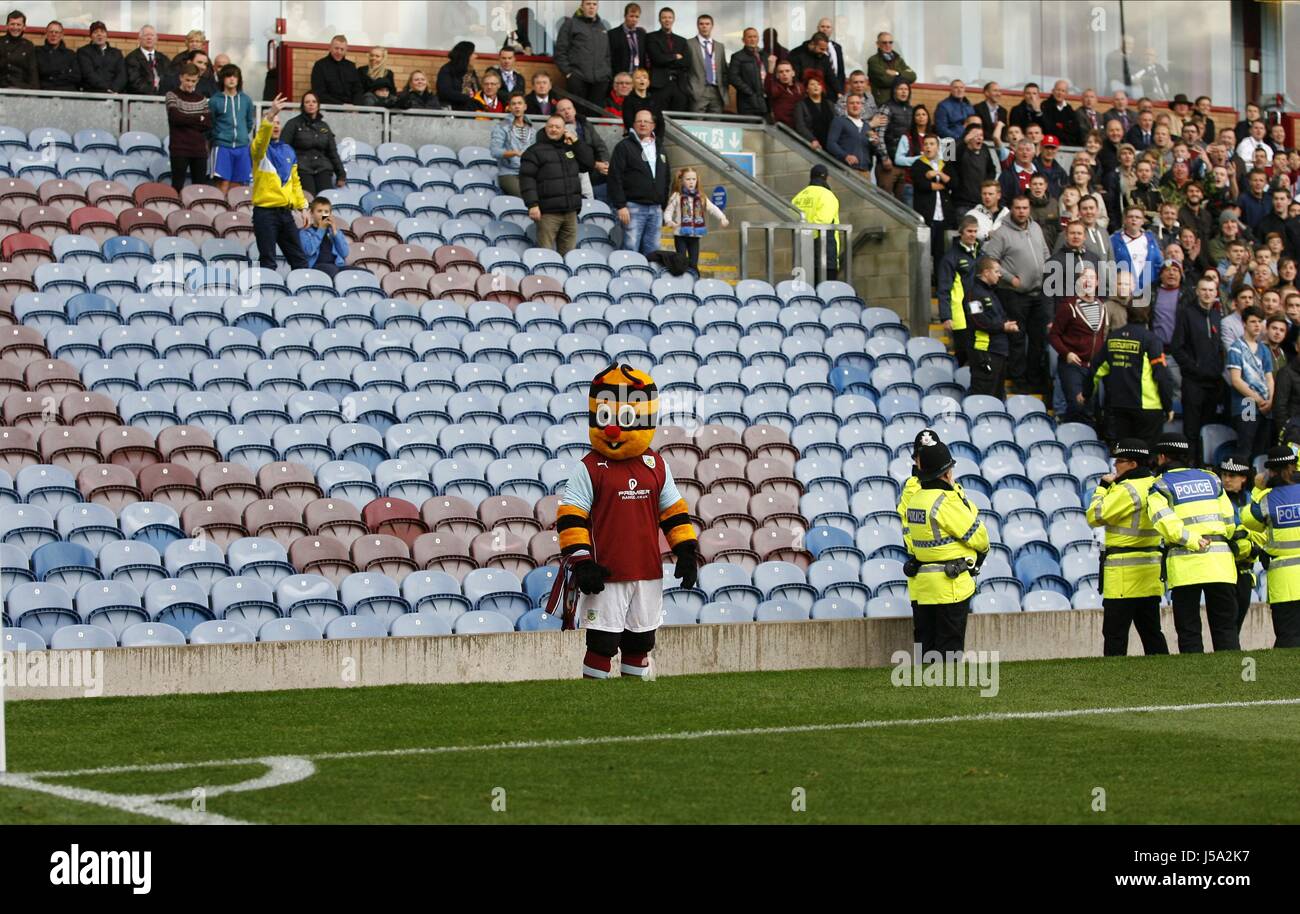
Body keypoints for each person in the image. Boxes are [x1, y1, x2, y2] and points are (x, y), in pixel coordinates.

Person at [558, 365, 699, 679]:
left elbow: (674, 512)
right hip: (606, 573)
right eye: (606, 419)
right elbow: (571, 516)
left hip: (647, 571)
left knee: (641, 641)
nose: (612, 430)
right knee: (602, 642)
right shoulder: (589, 467)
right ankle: (591, 708)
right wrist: (582, 562)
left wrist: (687, 551)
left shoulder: (656, 464)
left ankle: (634, 704)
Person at [1147, 433, 1243, 653]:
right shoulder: (1212, 478)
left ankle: (1195, 679)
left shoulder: (1160, 485)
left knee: (1189, 628)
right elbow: (1229, 521)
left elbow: (1166, 524)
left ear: (1162, 457)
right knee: (1225, 627)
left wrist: (1193, 541)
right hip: (1220, 563)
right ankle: (1232, 677)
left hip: (1185, 565)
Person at [899, 436, 988, 655]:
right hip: (951, 588)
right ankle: (945, 688)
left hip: (923, 586)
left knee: (926, 650)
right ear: (947, 473)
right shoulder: (945, 501)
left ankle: (924, 688)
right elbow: (980, 537)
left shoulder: (915, 500)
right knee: (949, 651)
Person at [1086, 439, 1170, 656]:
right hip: (1150, 572)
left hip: (1123, 575)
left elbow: (1094, 516)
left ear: (1132, 464)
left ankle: (1113, 681)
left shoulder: (1126, 490)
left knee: (1115, 634)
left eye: (1119, 461)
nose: (1115, 466)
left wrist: (1102, 488)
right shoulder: (1156, 483)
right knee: (1152, 632)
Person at [983, 195, 1050, 394]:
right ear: (1011, 209)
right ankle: (1019, 381)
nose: (1022, 211)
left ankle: (1034, 378)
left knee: (1038, 340)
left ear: (1029, 209)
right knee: (1018, 340)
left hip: (1038, 294)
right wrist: (1011, 278)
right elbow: (990, 261)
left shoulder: (1036, 227)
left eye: (1025, 208)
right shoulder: (1001, 233)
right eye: (1018, 208)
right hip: (1014, 293)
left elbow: (1045, 252)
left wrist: (1047, 272)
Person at [1086, 296, 1174, 446]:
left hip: (1119, 405)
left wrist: (1086, 392)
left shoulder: (1113, 338)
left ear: (1127, 311)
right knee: (1146, 457)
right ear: (1148, 313)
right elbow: (1161, 375)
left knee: (1125, 454)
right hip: (1147, 407)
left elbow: (1096, 367)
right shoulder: (1151, 340)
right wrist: (1168, 406)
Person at [1241, 448, 1300, 647]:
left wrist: (1258, 489)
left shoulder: (1267, 500)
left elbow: (1247, 519)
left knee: (1288, 640)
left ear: (1271, 472)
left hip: (1285, 585)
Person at [521, 114, 594, 256]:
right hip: (548, 213)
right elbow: (526, 179)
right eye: (550, 126)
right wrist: (532, 204)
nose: (553, 129)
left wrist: (577, 142)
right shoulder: (533, 151)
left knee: (569, 256)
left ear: (564, 130)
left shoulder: (571, 148)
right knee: (545, 255)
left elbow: (588, 165)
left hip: (570, 211)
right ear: (545, 128)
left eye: (557, 127)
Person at [250, 95, 308, 272]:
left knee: (300, 261)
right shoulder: (258, 150)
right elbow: (261, 140)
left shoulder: (288, 150)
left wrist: (302, 206)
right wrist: (270, 114)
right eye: (272, 122)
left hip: (285, 214)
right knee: (268, 262)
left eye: (278, 122)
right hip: (265, 213)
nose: (275, 125)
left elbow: (295, 182)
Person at [1050, 262, 1109, 423]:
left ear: (1097, 283)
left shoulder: (1102, 306)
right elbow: (1054, 335)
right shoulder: (1069, 306)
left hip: (1093, 367)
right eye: (1084, 277)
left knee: (1092, 408)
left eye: (1092, 278)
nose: (1088, 281)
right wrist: (1066, 353)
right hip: (1073, 365)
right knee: (1077, 405)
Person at [609, 109, 669, 258]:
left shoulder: (660, 148)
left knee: (654, 252)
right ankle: (628, 281)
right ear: (634, 124)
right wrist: (621, 205)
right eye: (639, 121)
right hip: (633, 207)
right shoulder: (623, 147)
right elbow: (614, 176)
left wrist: (663, 205)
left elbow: (666, 177)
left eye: (646, 121)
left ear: (653, 125)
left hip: (655, 209)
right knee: (630, 251)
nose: (642, 124)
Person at [1218, 454, 1261, 635]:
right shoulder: (1216, 500)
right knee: (1226, 625)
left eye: (1232, 476)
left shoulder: (1254, 502)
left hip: (1244, 570)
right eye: (1224, 475)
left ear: (1244, 478)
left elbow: (1263, 533)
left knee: (1237, 625)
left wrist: (1246, 534)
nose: (1226, 480)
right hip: (1223, 568)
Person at [1227, 306, 1275, 458]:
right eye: (1253, 321)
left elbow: (1269, 378)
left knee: (1261, 450)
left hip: (1266, 408)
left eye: (1260, 321)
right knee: (1246, 447)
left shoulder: (1265, 349)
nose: (1257, 325)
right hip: (1246, 405)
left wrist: (1271, 400)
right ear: (1244, 324)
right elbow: (1236, 380)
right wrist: (1259, 400)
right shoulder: (1236, 348)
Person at [966, 257, 1016, 398]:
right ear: (986, 272)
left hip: (999, 351)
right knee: (983, 394)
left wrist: (1008, 324)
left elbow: (1000, 316)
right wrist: (1003, 326)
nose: (1000, 275)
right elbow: (978, 320)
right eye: (997, 271)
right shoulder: (974, 293)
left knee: (998, 395)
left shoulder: (991, 293)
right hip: (985, 352)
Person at [280, 91, 347, 196]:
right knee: (308, 200)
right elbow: (283, 149)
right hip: (302, 169)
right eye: (307, 102)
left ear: (318, 105)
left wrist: (341, 174)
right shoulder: (293, 124)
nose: (311, 104)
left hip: (323, 168)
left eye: (314, 102)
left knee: (325, 200)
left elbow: (332, 152)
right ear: (303, 105)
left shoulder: (324, 126)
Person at [664, 166, 727, 273]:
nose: (691, 182)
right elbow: (668, 211)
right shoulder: (677, 196)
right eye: (688, 179)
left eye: (693, 179)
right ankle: (681, 282)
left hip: (695, 235)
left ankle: (692, 281)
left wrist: (722, 217)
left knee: (693, 263)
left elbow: (712, 208)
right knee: (681, 261)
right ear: (682, 180)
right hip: (680, 234)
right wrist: (669, 221)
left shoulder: (701, 196)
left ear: (697, 181)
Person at [937, 216, 981, 365]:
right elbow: (943, 288)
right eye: (969, 231)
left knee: (977, 353)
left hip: (977, 311)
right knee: (963, 354)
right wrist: (945, 316)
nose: (973, 234)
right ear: (961, 232)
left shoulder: (980, 254)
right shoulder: (951, 258)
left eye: (975, 231)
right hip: (959, 314)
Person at [208, 63, 256, 193]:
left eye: (235, 76)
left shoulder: (246, 100)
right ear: (222, 79)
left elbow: (249, 123)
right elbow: (210, 124)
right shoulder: (215, 100)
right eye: (228, 76)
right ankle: (221, 210)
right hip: (222, 146)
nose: (232, 79)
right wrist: (218, 136)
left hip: (242, 146)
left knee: (240, 184)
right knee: (223, 183)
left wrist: (242, 135)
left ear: (239, 79)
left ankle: (238, 212)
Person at [556, 0, 612, 109]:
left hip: (600, 81)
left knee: (596, 117)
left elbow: (607, 54)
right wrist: (569, 73)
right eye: (588, 4)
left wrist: (607, 74)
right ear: (582, 6)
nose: (591, 7)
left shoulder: (602, 27)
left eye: (594, 4)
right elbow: (560, 51)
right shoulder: (570, 24)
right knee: (578, 115)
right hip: (578, 79)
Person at [791, 164, 841, 283]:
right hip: (824, 251)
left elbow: (790, 217)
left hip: (802, 250)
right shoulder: (827, 195)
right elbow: (823, 222)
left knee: (805, 292)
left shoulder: (799, 196)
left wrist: (805, 239)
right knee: (826, 292)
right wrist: (811, 238)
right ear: (826, 178)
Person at [165, 64, 211, 192]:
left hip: (199, 149)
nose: (190, 84)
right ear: (181, 78)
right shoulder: (172, 95)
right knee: (177, 186)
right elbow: (175, 117)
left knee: (199, 188)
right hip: (179, 148)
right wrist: (197, 118)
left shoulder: (201, 99)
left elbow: (207, 123)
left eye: (193, 81)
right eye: (187, 80)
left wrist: (186, 118)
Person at [910, 134, 950, 282]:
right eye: (925, 144)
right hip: (927, 214)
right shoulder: (918, 164)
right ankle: (924, 283)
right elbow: (921, 184)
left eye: (932, 144)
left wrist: (938, 175)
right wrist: (939, 184)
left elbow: (953, 183)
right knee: (925, 252)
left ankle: (939, 283)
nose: (928, 147)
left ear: (938, 147)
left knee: (942, 253)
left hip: (943, 215)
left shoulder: (944, 164)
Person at [556, 97, 609, 200]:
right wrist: (595, 165)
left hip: (594, 170)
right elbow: (568, 154)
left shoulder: (585, 124)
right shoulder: (558, 129)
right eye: (563, 110)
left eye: (569, 108)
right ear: (557, 113)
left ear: (574, 110)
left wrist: (605, 163)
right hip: (574, 170)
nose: (567, 112)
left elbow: (600, 145)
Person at [1111, 204, 1165, 297]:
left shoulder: (1151, 240)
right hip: (1123, 293)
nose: (1134, 219)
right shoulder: (1114, 240)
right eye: (1130, 216)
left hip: (1148, 292)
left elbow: (1158, 264)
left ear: (1143, 221)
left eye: (1137, 217)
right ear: (1125, 220)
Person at [491, 93, 536, 197]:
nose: (517, 106)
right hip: (508, 173)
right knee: (527, 197)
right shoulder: (501, 127)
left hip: (528, 172)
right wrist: (514, 153)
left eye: (519, 103)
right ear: (509, 107)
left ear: (525, 106)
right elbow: (495, 151)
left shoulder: (532, 129)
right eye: (513, 104)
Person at [646, 6, 690, 111]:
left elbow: (686, 62)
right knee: (659, 119)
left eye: (669, 17)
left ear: (673, 19)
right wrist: (675, 56)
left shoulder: (682, 41)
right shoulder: (651, 37)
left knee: (679, 120)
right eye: (664, 17)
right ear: (659, 20)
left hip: (679, 86)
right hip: (659, 86)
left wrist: (666, 59)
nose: (667, 20)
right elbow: (657, 59)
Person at [950, 125, 997, 218]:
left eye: (981, 135)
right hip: (962, 204)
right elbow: (948, 160)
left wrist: (987, 184)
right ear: (967, 136)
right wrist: (963, 142)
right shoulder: (956, 147)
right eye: (975, 135)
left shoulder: (984, 148)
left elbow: (992, 170)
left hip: (982, 204)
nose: (979, 137)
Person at [684, 13, 726, 114]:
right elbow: (684, 69)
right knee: (696, 125)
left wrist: (724, 90)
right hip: (697, 91)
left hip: (717, 91)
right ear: (697, 26)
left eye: (707, 24)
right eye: (701, 24)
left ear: (712, 26)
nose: (704, 26)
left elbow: (724, 70)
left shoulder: (720, 46)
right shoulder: (689, 44)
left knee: (715, 125)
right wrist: (690, 90)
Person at [299, 196, 349, 278]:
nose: (323, 214)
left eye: (326, 212)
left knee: (365, 273)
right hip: (316, 266)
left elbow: (344, 253)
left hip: (337, 265)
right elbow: (309, 251)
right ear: (311, 213)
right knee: (334, 271)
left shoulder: (333, 231)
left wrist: (335, 232)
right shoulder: (304, 232)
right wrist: (321, 229)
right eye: (319, 211)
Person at [826, 94, 876, 174]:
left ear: (862, 106)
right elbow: (831, 144)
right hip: (846, 169)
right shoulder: (839, 121)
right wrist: (845, 156)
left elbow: (871, 150)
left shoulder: (867, 126)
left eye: (858, 103)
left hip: (865, 171)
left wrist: (875, 144)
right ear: (846, 107)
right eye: (852, 103)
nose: (855, 105)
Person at [865, 31, 914, 106]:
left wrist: (897, 73)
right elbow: (885, 80)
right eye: (884, 42)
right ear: (878, 44)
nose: (888, 45)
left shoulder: (899, 59)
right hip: (883, 104)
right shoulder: (873, 61)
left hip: (901, 104)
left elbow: (912, 76)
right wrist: (902, 77)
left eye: (890, 42)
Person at [76, 20, 125, 93]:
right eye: (95, 32)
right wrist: (107, 89)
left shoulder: (116, 53)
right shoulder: (83, 52)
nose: (99, 34)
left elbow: (122, 74)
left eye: (102, 31)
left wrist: (115, 89)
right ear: (91, 36)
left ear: (106, 35)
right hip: (92, 94)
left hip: (114, 95)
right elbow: (88, 74)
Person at [311, 35, 362, 105]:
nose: (339, 52)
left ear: (346, 50)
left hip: (351, 108)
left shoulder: (351, 66)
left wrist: (355, 106)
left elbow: (358, 90)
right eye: (336, 48)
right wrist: (341, 105)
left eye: (342, 49)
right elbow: (319, 92)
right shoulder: (320, 65)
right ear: (330, 48)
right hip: (329, 107)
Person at [729, 27, 768, 118]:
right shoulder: (738, 56)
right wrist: (750, 92)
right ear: (743, 40)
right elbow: (733, 77)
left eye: (755, 37)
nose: (752, 39)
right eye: (749, 37)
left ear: (758, 38)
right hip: (747, 101)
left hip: (765, 100)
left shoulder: (764, 55)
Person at [793, 73, 834, 151]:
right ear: (807, 89)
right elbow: (800, 126)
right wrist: (812, 139)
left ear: (822, 88)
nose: (816, 86)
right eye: (812, 84)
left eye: (818, 84)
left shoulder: (830, 104)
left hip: (831, 143)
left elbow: (836, 123)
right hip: (813, 144)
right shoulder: (801, 105)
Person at [125, 25, 169, 96]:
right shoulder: (132, 58)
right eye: (146, 35)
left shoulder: (164, 59)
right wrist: (154, 92)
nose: (149, 38)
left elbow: (169, 79)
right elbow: (135, 82)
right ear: (139, 39)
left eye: (152, 35)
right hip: (140, 100)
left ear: (156, 39)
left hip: (162, 99)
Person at [788, 31, 834, 99]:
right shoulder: (796, 54)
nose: (824, 52)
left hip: (820, 96)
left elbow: (831, 76)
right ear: (812, 44)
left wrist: (838, 91)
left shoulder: (824, 57)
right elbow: (795, 78)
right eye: (821, 49)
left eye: (825, 49)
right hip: (801, 95)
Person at [35, 19, 77, 91]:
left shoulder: (70, 54)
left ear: (62, 35)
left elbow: (75, 77)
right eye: (51, 32)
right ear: (46, 34)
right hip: (44, 92)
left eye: (57, 32)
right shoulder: (37, 52)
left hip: (65, 93)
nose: (53, 34)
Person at [437, 40, 480, 111]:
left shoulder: (470, 71)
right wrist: (467, 98)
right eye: (473, 53)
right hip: (454, 111)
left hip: (471, 109)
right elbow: (445, 92)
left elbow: (477, 90)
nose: (476, 56)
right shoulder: (447, 70)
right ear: (466, 55)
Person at [0, 8, 37, 89]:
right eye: (12, 24)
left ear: (24, 27)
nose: (15, 27)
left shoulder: (28, 45)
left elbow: (33, 72)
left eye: (18, 24)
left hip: (21, 89)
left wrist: (34, 94)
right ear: (7, 26)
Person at [609, 3, 648, 76]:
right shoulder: (613, 34)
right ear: (625, 16)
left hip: (638, 77)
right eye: (631, 16)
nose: (634, 19)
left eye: (637, 17)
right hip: (620, 77)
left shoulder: (642, 34)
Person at [621, 67, 662, 135]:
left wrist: (658, 140)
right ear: (633, 82)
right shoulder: (628, 100)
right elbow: (629, 124)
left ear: (648, 82)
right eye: (638, 78)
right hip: (635, 139)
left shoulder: (655, 100)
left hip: (653, 140)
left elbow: (660, 123)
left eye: (645, 77)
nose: (642, 80)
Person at [765, 60, 803, 130]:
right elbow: (769, 89)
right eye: (781, 72)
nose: (784, 74)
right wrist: (770, 71)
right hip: (782, 129)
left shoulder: (800, 87)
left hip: (799, 128)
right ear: (777, 76)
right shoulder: (776, 88)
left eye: (787, 71)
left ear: (793, 73)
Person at [814, 16, 846, 96]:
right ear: (817, 28)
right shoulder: (812, 46)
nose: (825, 29)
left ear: (832, 30)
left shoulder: (837, 47)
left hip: (836, 90)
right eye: (822, 26)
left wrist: (841, 89)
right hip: (819, 89)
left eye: (828, 27)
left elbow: (841, 71)